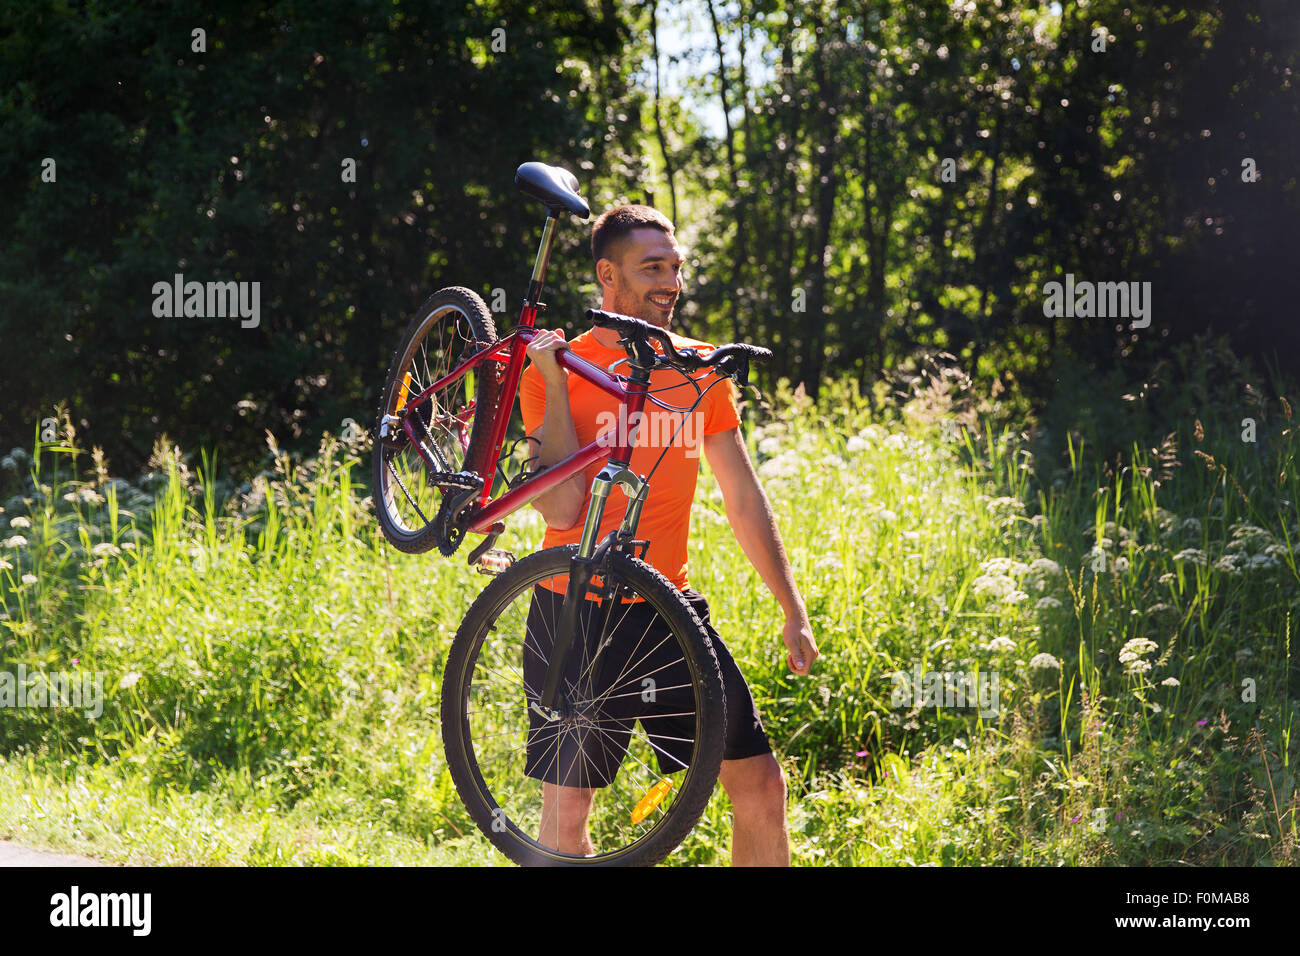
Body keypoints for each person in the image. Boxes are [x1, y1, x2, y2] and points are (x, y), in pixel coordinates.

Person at [517, 204, 818, 866]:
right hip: (576, 609)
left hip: (667, 612)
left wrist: (791, 608)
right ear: (608, 274)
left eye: (676, 268)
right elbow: (563, 509)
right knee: (566, 816)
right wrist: (555, 391)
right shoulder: (559, 366)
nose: (671, 283)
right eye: (652, 267)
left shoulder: (698, 368)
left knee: (761, 786)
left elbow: (742, 496)